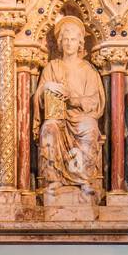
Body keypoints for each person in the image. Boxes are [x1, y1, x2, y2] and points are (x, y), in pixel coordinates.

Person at [33, 16, 104, 191]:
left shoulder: (88, 70)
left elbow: (96, 101)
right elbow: (38, 97)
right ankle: (53, 177)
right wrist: (47, 87)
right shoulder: (52, 67)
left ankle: (83, 178)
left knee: (90, 127)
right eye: (66, 39)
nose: (69, 43)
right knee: (49, 128)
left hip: (80, 117)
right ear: (60, 42)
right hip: (57, 117)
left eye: (73, 39)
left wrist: (72, 98)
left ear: (80, 42)